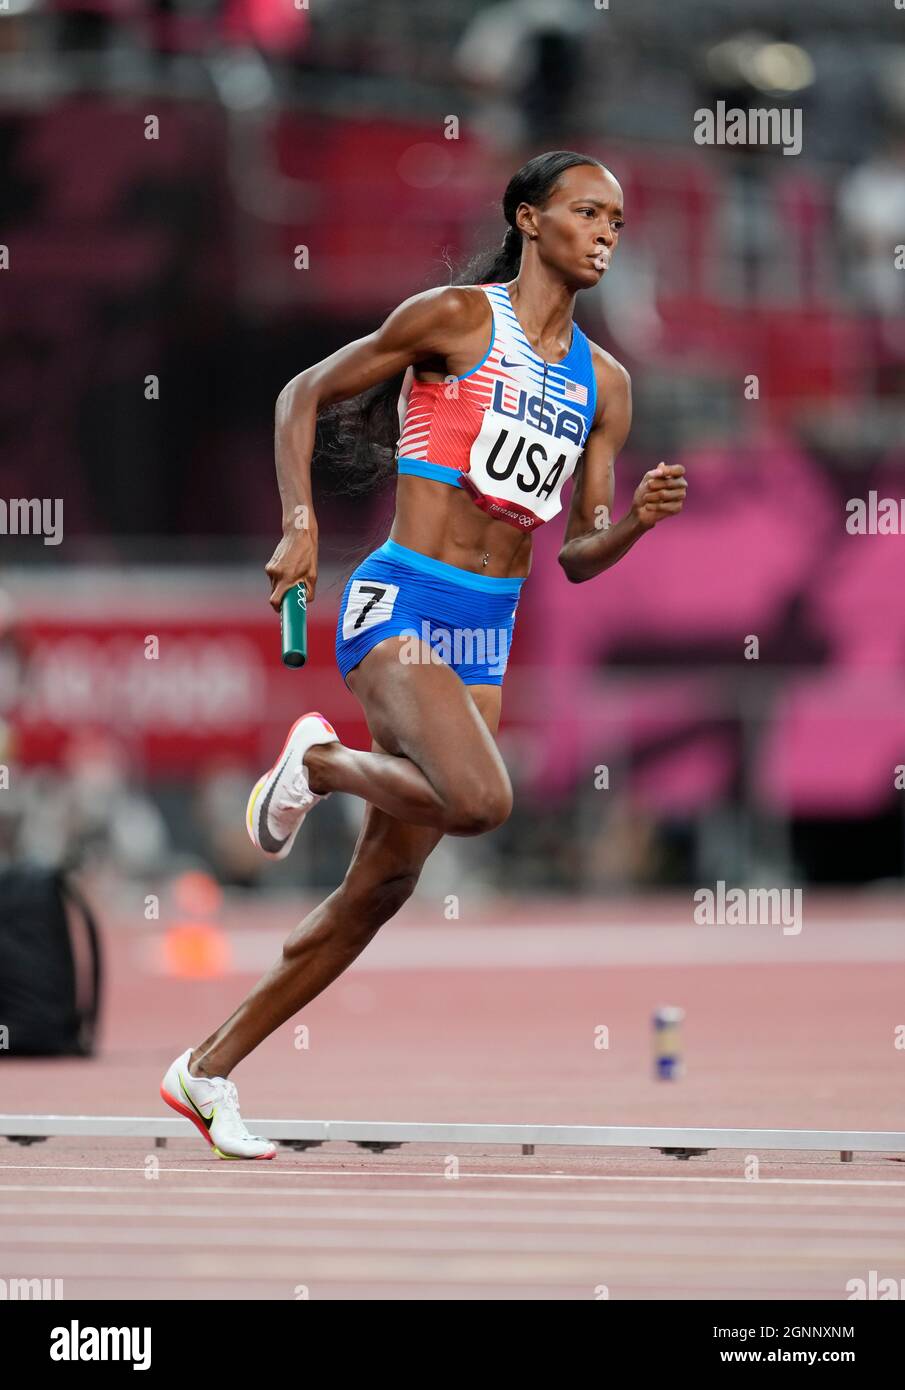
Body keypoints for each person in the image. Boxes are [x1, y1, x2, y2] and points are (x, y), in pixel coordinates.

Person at [160, 149, 687, 1159]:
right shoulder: (454, 319)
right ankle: (316, 762)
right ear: (529, 220)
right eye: (587, 212)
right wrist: (302, 524)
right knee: (483, 803)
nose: (607, 233)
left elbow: (575, 554)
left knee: (381, 890)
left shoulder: (603, 384)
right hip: (398, 600)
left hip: (483, 633)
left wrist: (634, 525)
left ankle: (206, 1070)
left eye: (617, 221)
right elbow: (300, 395)